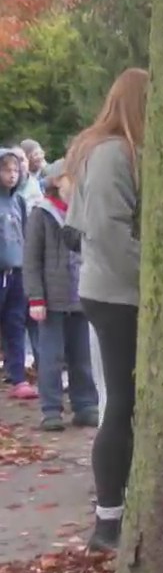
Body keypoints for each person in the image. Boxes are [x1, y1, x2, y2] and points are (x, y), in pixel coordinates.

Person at [66, 68, 147, 551]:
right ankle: (108, 519)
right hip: (118, 293)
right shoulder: (114, 153)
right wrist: (157, 279)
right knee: (120, 403)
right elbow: (111, 232)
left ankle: (117, 510)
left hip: (112, 289)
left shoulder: (104, 151)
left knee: (126, 402)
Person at [24, 160, 99, 431]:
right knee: (51, 356)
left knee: (82, 356)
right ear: (57, 181)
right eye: (72, 178)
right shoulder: (41, 214)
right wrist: (36, 298)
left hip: (80, 298)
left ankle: (85, 404)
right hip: (51, 301)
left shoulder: (82, 214)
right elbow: (31, 260)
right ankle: (51, 408)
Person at [0, 147, 33, 399]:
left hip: (17, 273)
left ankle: (18, 376)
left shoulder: (18, 201)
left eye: (15, 170)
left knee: (16, 322)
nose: (11, 175)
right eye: (5, 169)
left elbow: (24, 234)